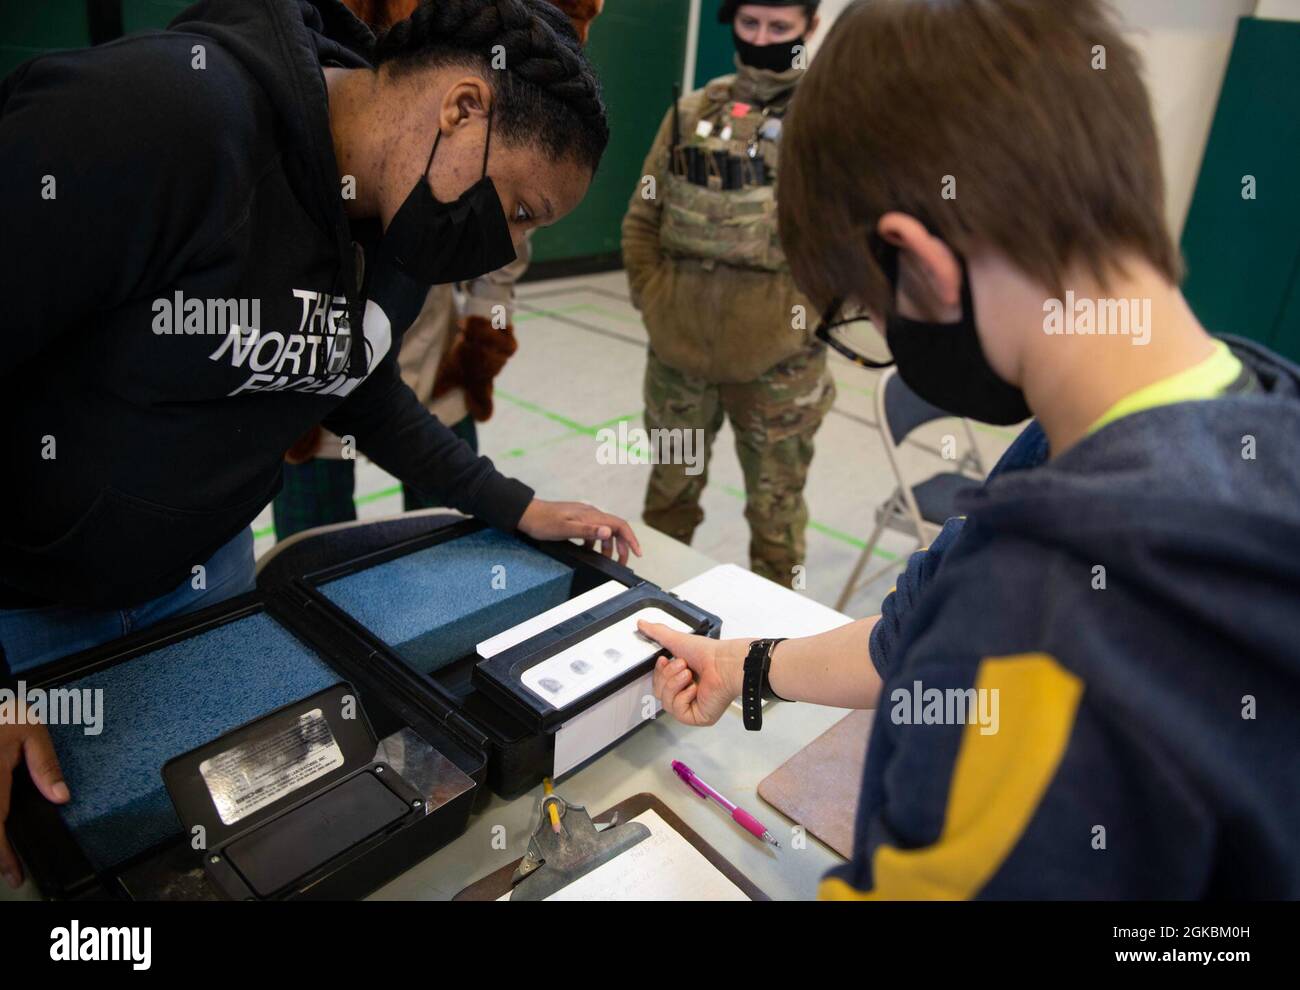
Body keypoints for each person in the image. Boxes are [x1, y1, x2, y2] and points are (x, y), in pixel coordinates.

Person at [639, 0, 1300, 898]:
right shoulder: (1235, 412)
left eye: (866, 309)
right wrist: (743, 664)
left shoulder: (1030, 625)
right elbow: (909, 631)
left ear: (918, 261)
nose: (880, 328)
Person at [0, 0, 639, 889]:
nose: (514, 244)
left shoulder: (405, 217)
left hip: (202, 584)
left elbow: (356, 383)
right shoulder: (158, 119)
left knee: (187, 864)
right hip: (26, 613)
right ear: (461, 110)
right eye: (523, 209)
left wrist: (510, 503)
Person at [274, 0, 605, 539]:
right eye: (521, 215)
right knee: (311, 527)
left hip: (424, 328)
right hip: (311, 345)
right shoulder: (222, 135)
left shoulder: (437, 209)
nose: (514, 239)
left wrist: (483, 326)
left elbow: (365, 393)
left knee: (442, 530)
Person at [622, 1, 834, 587]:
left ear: (809, 28)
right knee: (667, 505)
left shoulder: (830, 120)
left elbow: (853, 246)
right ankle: (645, 614)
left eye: (779, 28)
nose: (761, 39)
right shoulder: (692, 111)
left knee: (775, 518)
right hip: (678, 355)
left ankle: (779, 653)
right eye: (749, 24)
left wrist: (801, 323)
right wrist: (656, 300)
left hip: (779, 369)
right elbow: (643, 216)